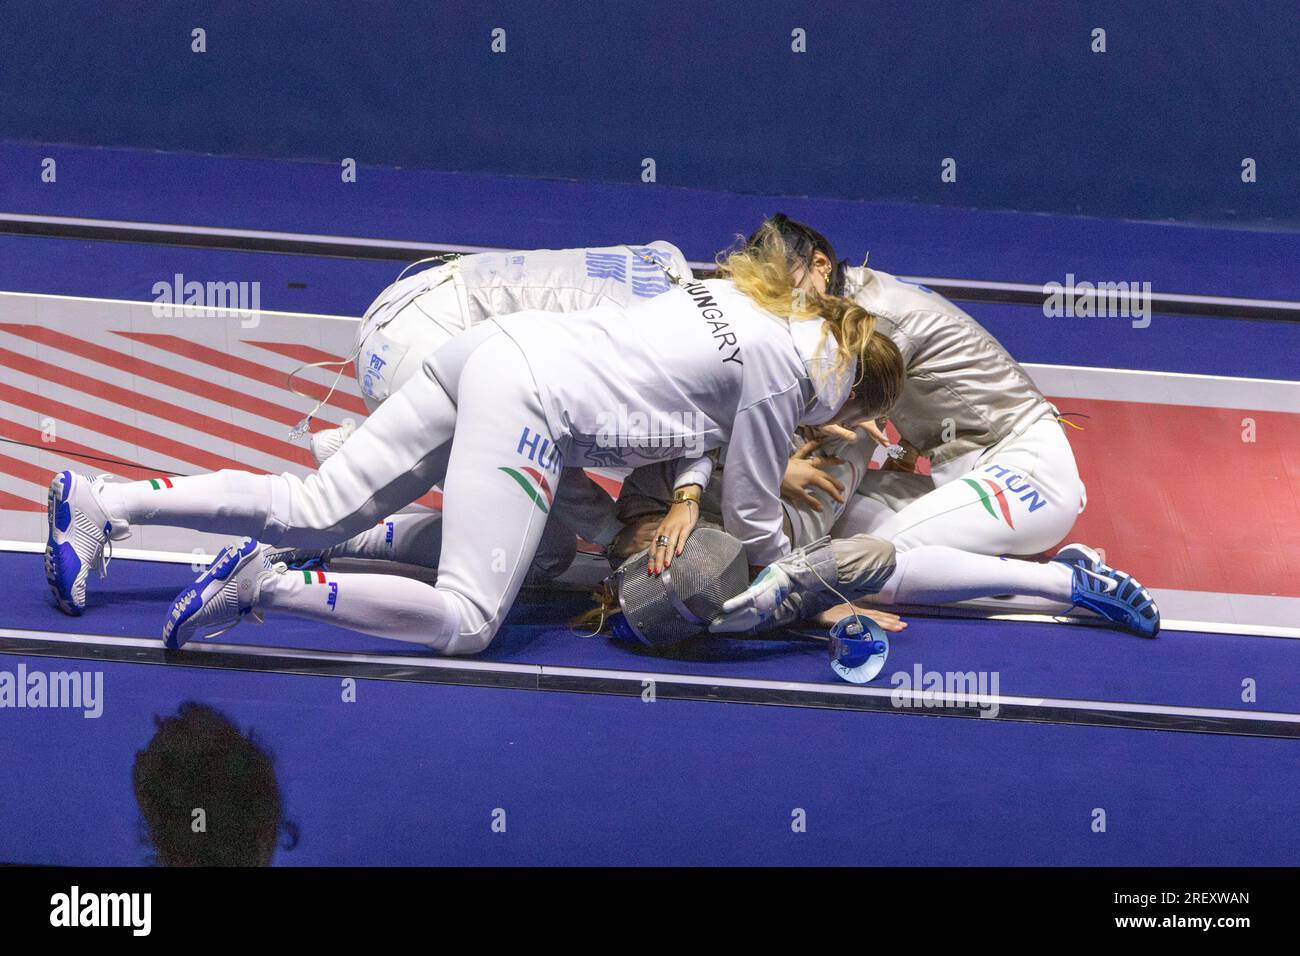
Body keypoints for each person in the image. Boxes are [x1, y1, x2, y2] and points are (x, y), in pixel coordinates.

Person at [47, 222, 906, 654]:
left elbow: (685, 405)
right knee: (467, 620)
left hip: (482, 351)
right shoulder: (788, 378)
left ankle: (105, 502)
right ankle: (265, 588)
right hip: (526, 400)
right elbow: (755, 525)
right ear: (845, 386)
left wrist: (688, 489)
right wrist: (816, 599)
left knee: (312, 506)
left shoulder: (741, 302)